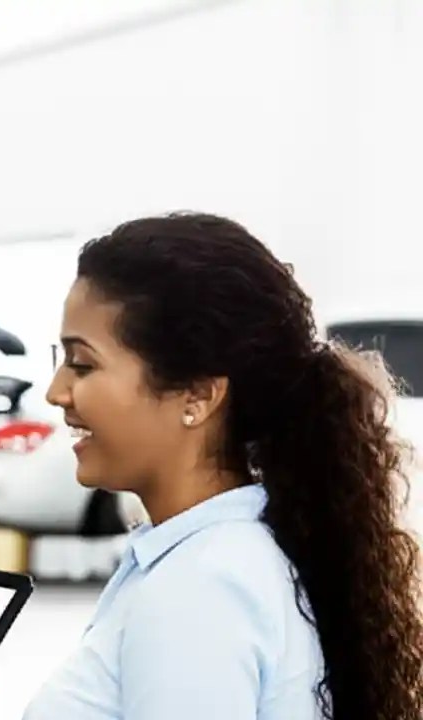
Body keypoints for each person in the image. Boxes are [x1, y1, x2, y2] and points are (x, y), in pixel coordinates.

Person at [21, 213, 423, 719]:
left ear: (198, 395)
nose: (56, 392)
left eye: (82, 365)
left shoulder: (200, 585)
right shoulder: (211, 556)